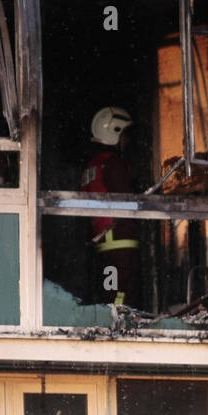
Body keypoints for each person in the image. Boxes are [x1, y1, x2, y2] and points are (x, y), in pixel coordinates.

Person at [81, 106, 141, 308]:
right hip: (120, 241)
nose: (127, 141)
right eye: (124, 135)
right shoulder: (112, 163)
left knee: (109, 294)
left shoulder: (93, 165)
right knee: (122, 298)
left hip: (105, 242)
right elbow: (126, 200)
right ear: (114, 133)